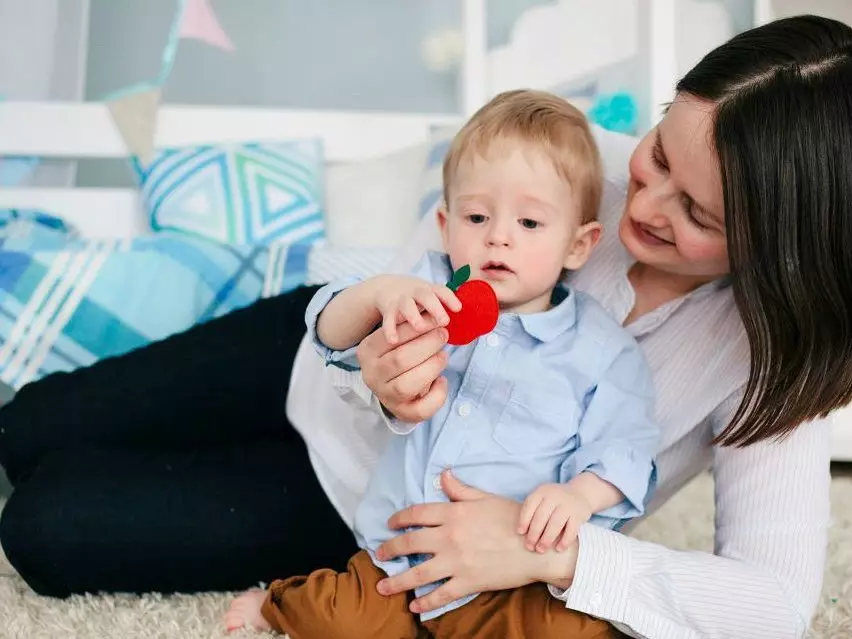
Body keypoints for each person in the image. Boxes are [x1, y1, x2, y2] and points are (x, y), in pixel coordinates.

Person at [0, 14, 849, 638]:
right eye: (660, 152)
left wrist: (556, 555)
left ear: (778, 248)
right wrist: (374, 348)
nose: (647, 204)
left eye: (697, 210)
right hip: (307, 352)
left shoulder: (773, 365)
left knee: (46, 526)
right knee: (27, 423)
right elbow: (384, 276)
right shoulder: (564, 156)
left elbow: (770, 602)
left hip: (369, 510)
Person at [222, 90, 659, 638]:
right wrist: (378, 295)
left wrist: (579, 496)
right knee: (344, 622)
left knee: (574, 632)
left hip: (517, 572)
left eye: (529, 223)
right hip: (401, 557)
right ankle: (276, 603)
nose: (498, 234)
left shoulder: (599, 350)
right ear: (446, 224)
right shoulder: (423, 291)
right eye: (477, 216)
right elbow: (327, 330)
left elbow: (627, 450)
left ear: (579, 245)